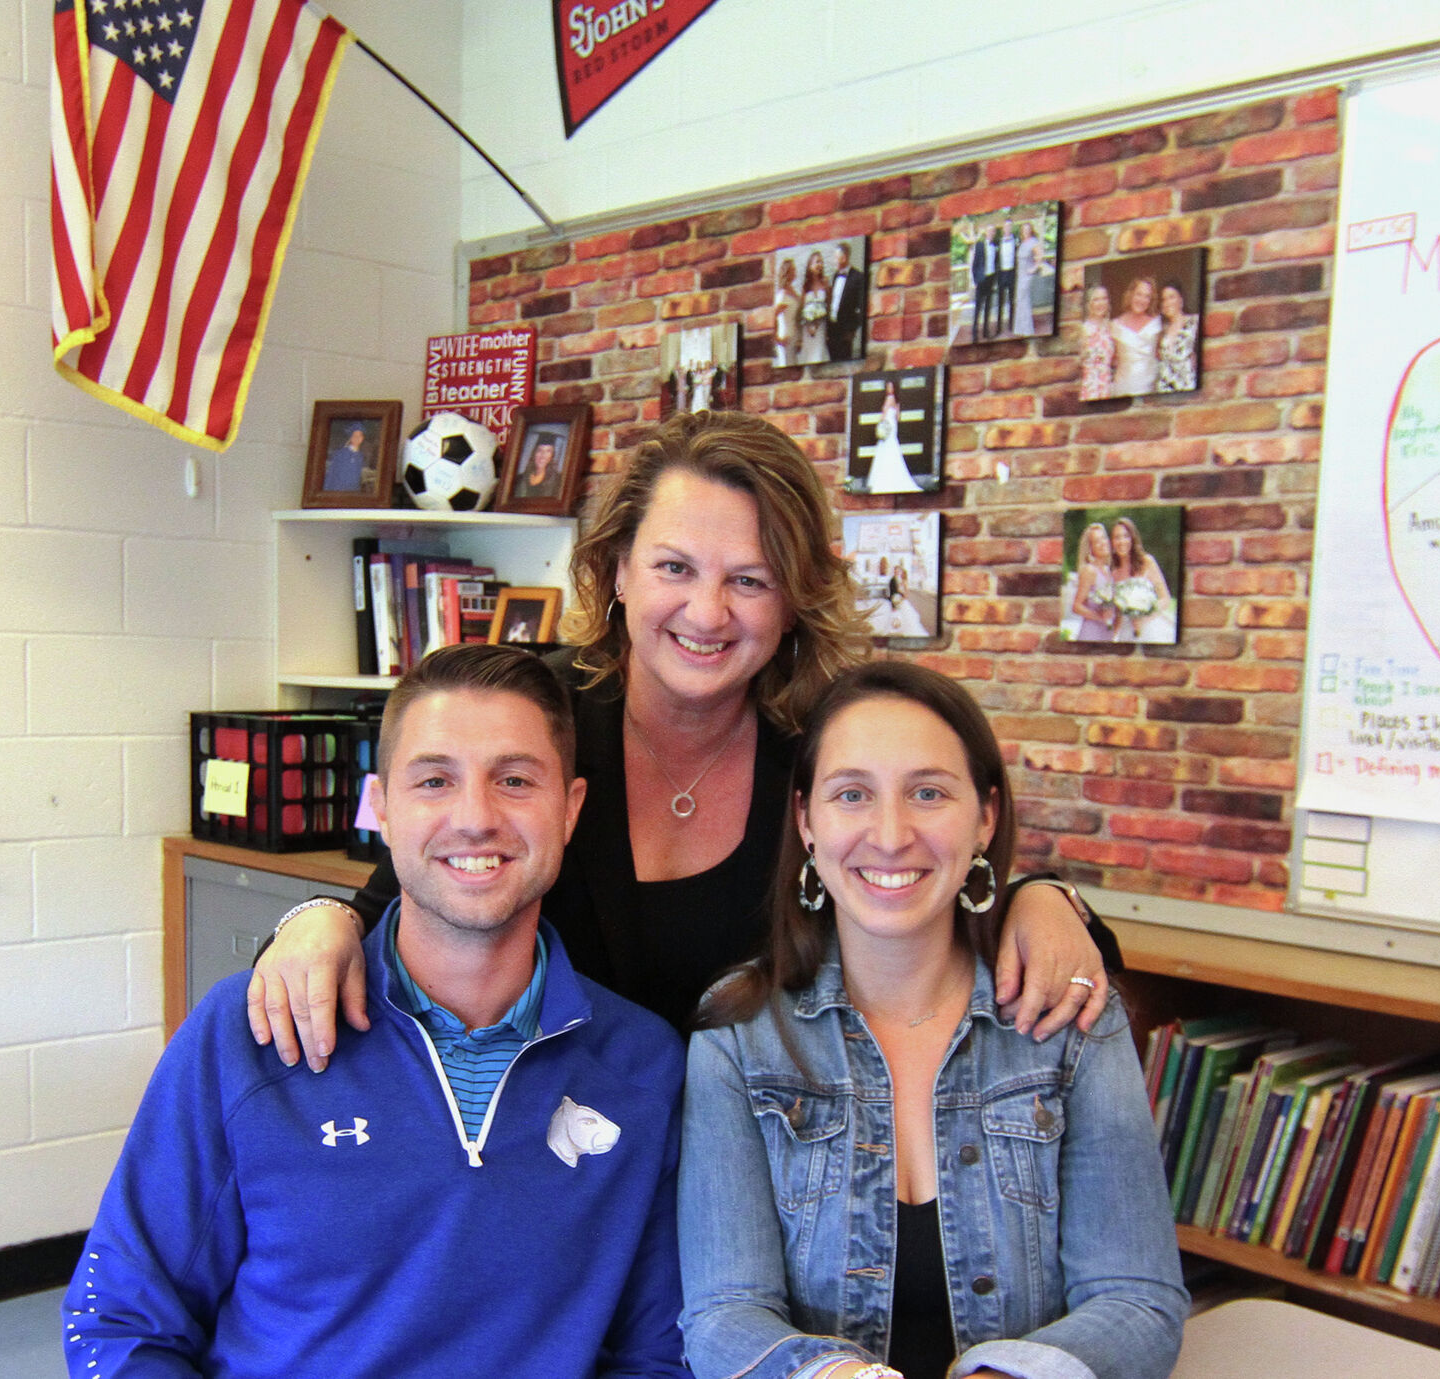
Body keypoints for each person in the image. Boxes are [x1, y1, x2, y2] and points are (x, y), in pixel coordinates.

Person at [247, 409, 1112, 1065]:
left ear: (794, 600)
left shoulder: (824, 750)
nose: (707, 612)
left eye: (750, 580)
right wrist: (316, 921)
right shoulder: (533, 717)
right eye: (674, 568)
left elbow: (926, 865)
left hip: (765, 1171)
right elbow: (401, 896)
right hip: (553, 1157)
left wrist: (1041, 899)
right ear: (619, 568)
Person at [66, 647, 688, 1379]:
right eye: (435, 780)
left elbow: (659, 1355)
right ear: (383, 808)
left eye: (515, 780)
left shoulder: (642, 1067)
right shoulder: (249, 1032)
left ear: (570, 808)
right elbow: (118, 1319)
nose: (475, 817)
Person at [679, 662, 1188, 1379]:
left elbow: (1138, 1302)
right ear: (806, 820)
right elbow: (724, 1315)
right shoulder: (739, 1034)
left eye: (928, 792)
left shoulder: (1071, 1019)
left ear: (985, 816)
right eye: (852, 794)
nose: (891, 835)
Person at [1108, 517, 1172, 644]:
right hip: (1126, 634)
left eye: (1126, 536)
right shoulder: (1114, 573)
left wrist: (1144, 616)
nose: (1121, 541)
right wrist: (1111, 639)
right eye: (1117, 537)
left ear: (1133, 538)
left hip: (1150, 630)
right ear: (1112, 542)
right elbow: (1118, 614)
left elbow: (1165, 599)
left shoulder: (1147, 562)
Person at [862, 379, 918, 495]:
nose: (889, 389)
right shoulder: (897, 402)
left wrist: (881, 423)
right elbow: (897, 416)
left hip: (888, 424)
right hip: (892, 424)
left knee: (887, 446)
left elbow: (884, 414)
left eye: (890, 387)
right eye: (888, 387)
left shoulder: (889, 398)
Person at [1109, 276, 1161, 397]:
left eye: (1147, 296)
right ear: (1131, 295)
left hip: (1150, 388)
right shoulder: (1115, 325)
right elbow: (1110, 358)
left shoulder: (1157, 324)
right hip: (1123, 388)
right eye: (1139, 294)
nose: (1141, 300)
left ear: (1151, 300)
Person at [1068, 521, 1117, 642]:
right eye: (1097, 541)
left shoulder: (1108, 571)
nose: (1103, 543)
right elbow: (1076, 606)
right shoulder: (1089, 570)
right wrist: (1100, 617)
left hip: (1107, 633)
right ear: (1090, 549)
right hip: (1092, 633)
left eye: (1103, 538)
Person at [826, 241, 866, 362]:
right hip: (832, 330)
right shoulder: (835, 276)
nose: (833, 261)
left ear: (843, 258)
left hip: (845, 332)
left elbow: (862, 307)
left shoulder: (858, 277)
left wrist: (852, 330)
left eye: (835, 258)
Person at [1155, 281, 1197, 393]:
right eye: (1164, 299)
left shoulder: (1194, 322)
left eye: (1171, 297)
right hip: (1165, 389)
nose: (1167, 303)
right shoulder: (1162, 330)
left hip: (1188, 386)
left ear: (1181, 300)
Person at [1079, 284, 1115, 401]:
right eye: (1096, 299)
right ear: (1089, 304)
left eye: (1104, 298)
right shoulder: (1083, 329)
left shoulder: (1111, 327)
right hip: (1089, 387)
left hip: (1107, 386)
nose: (1101, 303)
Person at [1011, 221, 1043, 338]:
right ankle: (1020, 328)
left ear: (1031, 230)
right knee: (1020, 300)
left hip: (1026, 275)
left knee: (1024, 300)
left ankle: (1027, 329)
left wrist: (1033, 268)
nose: (1026, 231)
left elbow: (1040, 256)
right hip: (1020, 275)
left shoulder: (1033, 242)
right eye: (1024, 229)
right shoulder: (1022, 242)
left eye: (1028, 229)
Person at [799, 251, 831, 365]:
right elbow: (802, 308)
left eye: (821, 262)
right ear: (810, 265)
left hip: (821, 326)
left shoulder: (825, 283)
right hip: (808, 327)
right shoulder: (805, 286)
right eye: (817, 262)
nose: (820, 265)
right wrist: (808, 324)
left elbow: (829, 304)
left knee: (820, 353)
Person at [969, 224, 996, 343]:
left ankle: (986, 331)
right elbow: (974, 264)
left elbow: (996, 262)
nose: (991, 233)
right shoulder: (980, 245)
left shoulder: (995, 245)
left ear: (994, 233)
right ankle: (974, 334)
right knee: (978, 307)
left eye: (993, 231)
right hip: (981, 280)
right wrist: (975, 280)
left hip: (991, 279)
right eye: (989, 231)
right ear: (986, 233)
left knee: (988, 307)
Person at [324, 424, 371, 492]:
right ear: (351, 438)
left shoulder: (360, 456)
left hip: (353, 492)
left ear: (362, 438)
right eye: (355, 436)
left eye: (360, 436)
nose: (357, 438)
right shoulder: (340, 453)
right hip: (337, 490)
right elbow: (331, 474)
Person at [774, 257, 802, 367]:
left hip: (794, 336)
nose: (795, 272)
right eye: (793, 270)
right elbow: (773, 317)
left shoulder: (792, 290)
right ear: (787, 273)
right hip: (785, 338)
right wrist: (777, 339)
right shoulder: (783, 295)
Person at [994, 219, 1018, 336]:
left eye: (1009, 226)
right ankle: (999, 326)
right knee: (1000, 300)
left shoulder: (1016, 240)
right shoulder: (998, 241)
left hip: (1012, 273)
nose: (1007, 228)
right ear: (1003, 228)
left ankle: (1011, 325)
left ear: (1011, 228)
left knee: (1012, 300)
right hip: (1001, 273)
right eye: (1006, 227)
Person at [519, 433, 561, 498]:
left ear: (552, 456)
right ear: (534, 453)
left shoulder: (557, 481)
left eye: (548, 451)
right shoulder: (520, 478)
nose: (543, 456)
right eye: (539, 450)